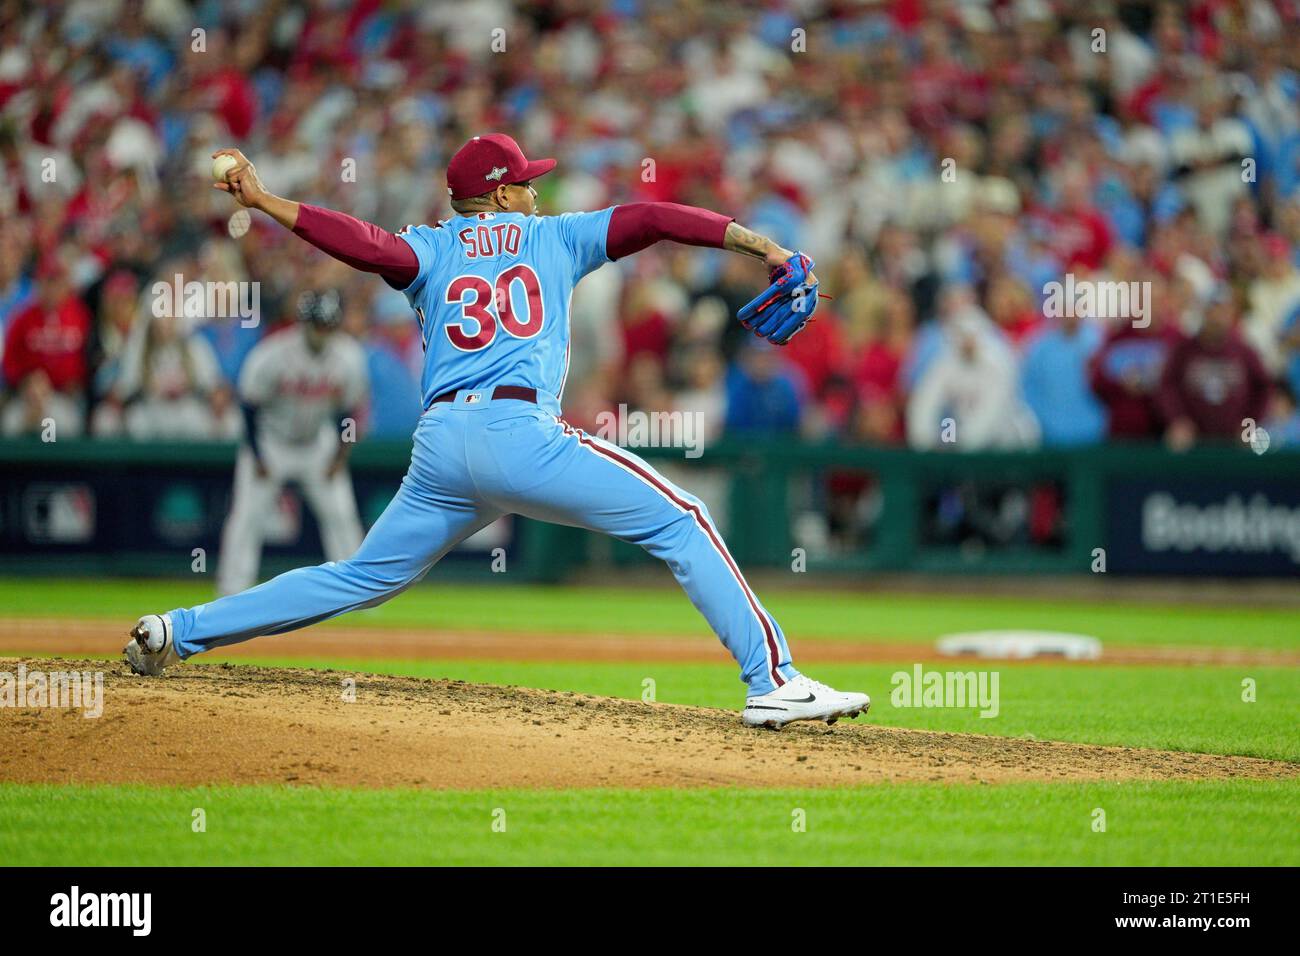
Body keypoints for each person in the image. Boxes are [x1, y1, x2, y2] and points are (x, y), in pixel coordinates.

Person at [124, 134, 869, 730]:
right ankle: (772, 682)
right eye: (525, 180)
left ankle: (177, 629)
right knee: (684, 519)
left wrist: (264, 201)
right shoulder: (557, 237)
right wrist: (758, 245)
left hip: (442, 446)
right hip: (520, 433)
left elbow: (363, 243)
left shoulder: (432, 247)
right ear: (503, 193)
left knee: (357, 578)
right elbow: (654, 219)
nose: (535, 189)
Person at [215, 289, 368, 596]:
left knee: (341, 515)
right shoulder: (273, 353)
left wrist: (339, 457)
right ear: (304, 322)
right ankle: (232, 591)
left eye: (329, 326)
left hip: (317, 442)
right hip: (271, 440)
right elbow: (248, 408)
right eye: (318, 325)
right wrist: (257, 456)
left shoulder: (349, 356)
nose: (323, 333)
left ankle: (359, 592)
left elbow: (350, 413)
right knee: (247, 517)